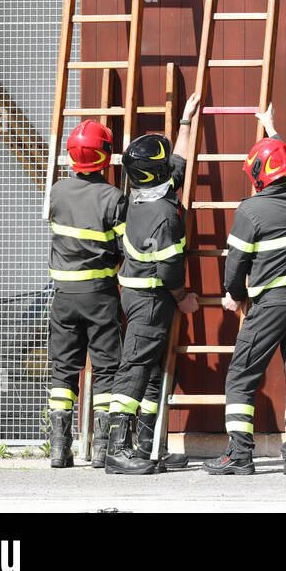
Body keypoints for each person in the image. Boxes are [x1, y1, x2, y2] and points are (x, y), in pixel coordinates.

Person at [203, 104, 286, 476]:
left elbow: (235, 264)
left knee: (241, 375)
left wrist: (233, 294)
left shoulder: (250, 211)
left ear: (257, 174)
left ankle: (239, 455)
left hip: (270, 305)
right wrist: (273, 130)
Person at [103, 93, 201, 475]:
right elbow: (171, 270)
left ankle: (144, 447)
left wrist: (186, 121)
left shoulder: (146, 196)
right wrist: (183, 299)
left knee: (150, 369)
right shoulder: (165, 216)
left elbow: (179, 160)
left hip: (138, 294)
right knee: (134, 367)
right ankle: (118, 452)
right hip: (149, 299)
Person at [46, 119, 126, 469]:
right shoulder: (113, 198)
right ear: (106, 156)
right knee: (107, 368)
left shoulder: (57, 192)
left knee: (64, 371)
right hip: (101, 296)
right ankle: (102, 450)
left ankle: (59, 451)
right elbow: (128, 246)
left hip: (63, 295)